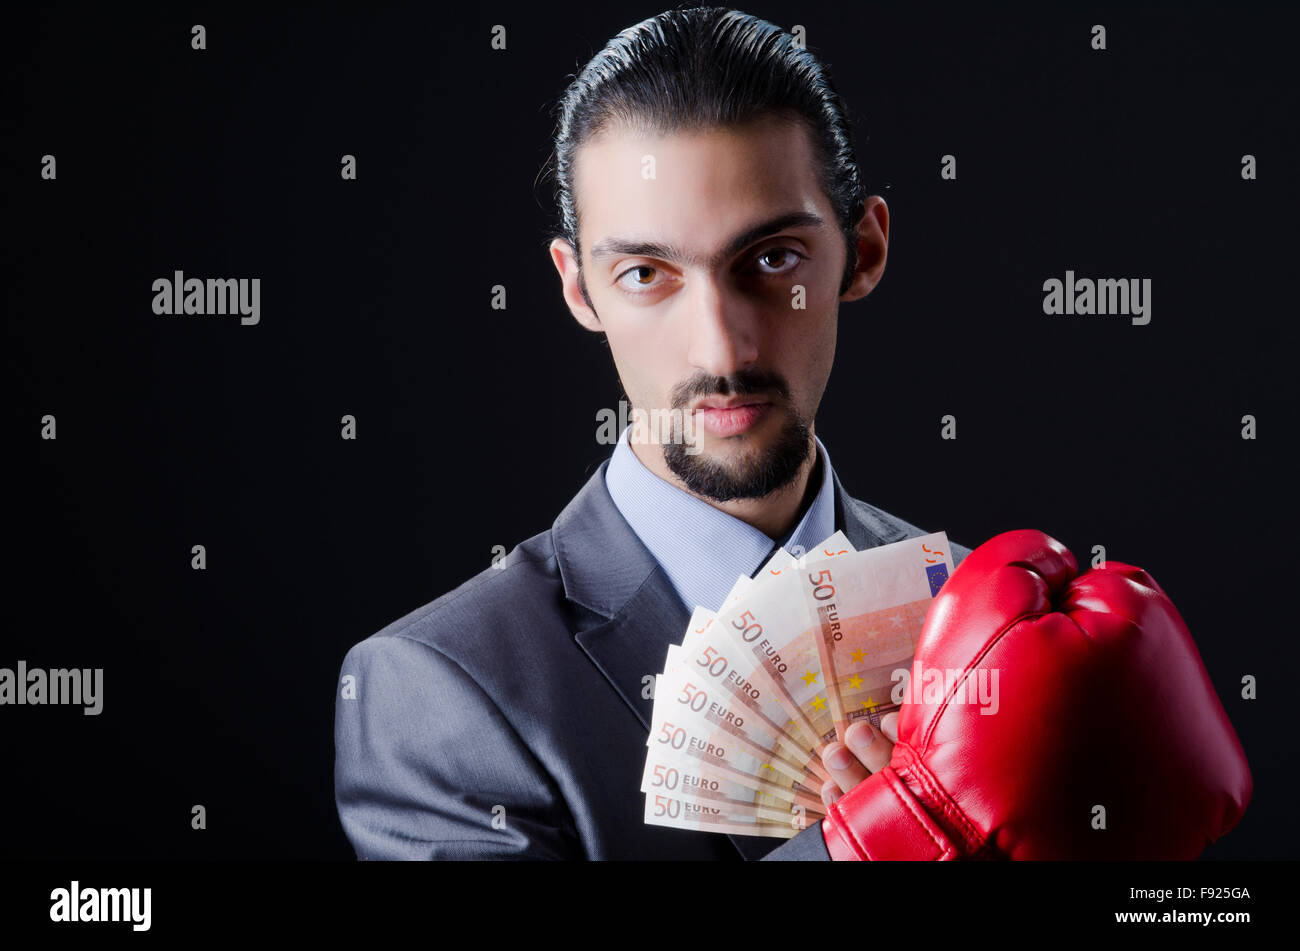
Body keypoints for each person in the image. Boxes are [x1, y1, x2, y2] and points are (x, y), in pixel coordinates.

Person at [334, 6, 971, 860]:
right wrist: (862, 847)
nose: (721, 346)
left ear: (863, 251)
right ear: (580, 290)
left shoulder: (982, 619)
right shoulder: (439, 691)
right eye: (646, 273)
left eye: (773, 258)